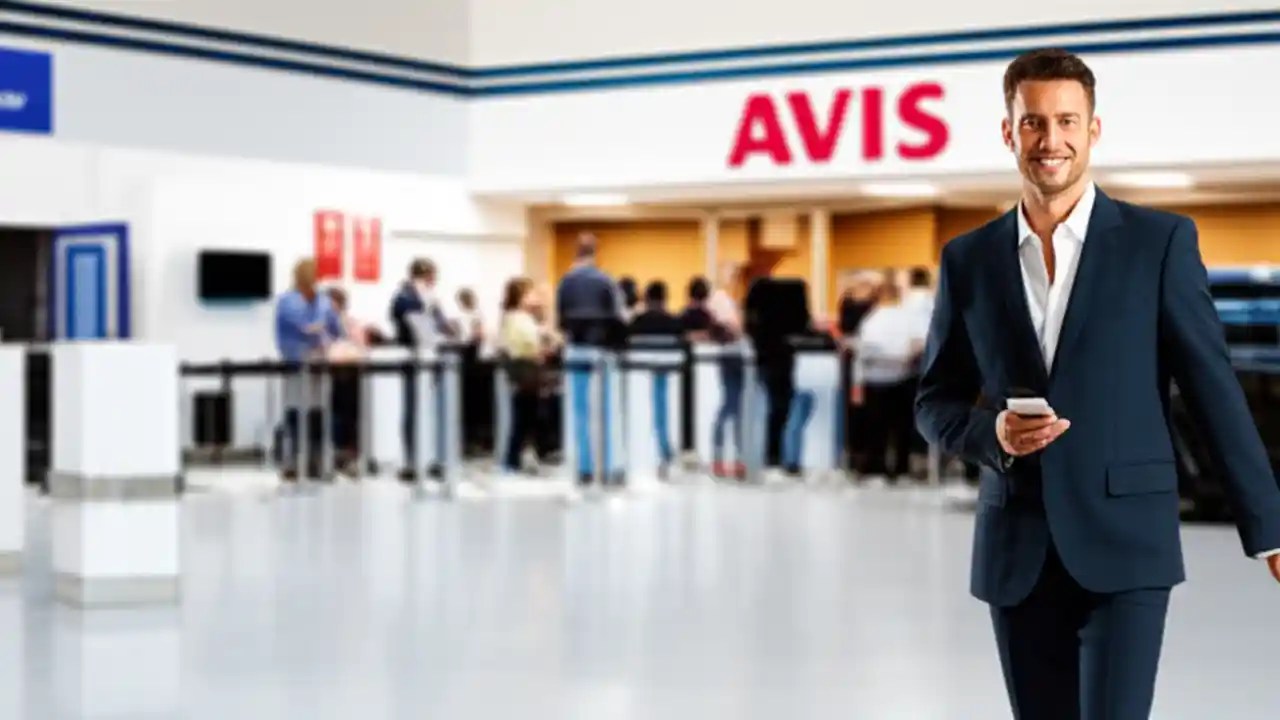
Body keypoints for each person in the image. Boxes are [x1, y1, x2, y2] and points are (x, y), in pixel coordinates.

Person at [914, 48, 1280, 719]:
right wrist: (990, 433)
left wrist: (1270, 526)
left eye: (1066, 121)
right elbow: (933, 402)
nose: (1050, 140)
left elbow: (1212, 388)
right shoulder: (968, 260)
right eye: (1032, 123)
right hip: (1016, 548)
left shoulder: (1159, 243)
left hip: (1126, 541)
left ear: (1093, 129)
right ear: (1008, 132)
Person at [556, 233, 626, 488]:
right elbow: (619, 318)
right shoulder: (606, 280)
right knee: (607, 409)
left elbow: (560, 320)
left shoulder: (565, 282)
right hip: (602, 352)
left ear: (576, 252)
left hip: (576, 350)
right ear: (596, 253)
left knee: (580, 411)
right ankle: (610, 467)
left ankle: (585, 468)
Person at [274, 259, 343, 481]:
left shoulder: (324, 301)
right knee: (295, 410)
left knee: (319, 411)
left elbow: (335, 329)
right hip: (296, 363)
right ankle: (292, 461)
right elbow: (304, 327)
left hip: (320, 365)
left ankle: (318, 459)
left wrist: (329, 339)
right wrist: (315, 330)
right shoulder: (287, 301)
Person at [389, 258, 452, 482]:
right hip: (413, 358)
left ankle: (435, 458)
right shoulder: (404, 298)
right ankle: (411, 460)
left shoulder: (431, 300)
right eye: (431, 278)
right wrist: (426, 308)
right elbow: (409, 324)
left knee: (431, 411)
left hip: (433, 360)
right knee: (412, 411)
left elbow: (442, 326)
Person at [854, 270, 918, 482]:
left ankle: (877, 468)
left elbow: (863, 351)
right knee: (901, 428)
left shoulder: (872, 319)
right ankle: (900, 469)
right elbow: (917, 343)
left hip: (877, 379)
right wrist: (902, 358)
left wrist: (859, 382)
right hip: (902, 376)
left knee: (877, 427)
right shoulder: (907, 316)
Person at [629, 280, 685, 478]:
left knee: (644, 411)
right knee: (663, 410)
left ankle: (647, 450)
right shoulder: (673, 321)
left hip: (637, 376)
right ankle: (664, 451)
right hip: (667, 373)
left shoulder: (637, 322)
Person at [498, 277, 550, 473]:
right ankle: (512, 459)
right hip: (524, 369)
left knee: (527, 415)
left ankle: (518, 456)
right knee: (523, 416)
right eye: (530, 294)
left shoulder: (525, 317)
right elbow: (529, 343)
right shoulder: (515, 318)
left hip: (529, 368)